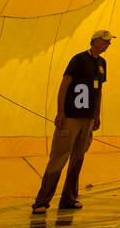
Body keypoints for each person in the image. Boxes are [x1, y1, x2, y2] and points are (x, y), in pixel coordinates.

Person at [32, 30, 113, 214]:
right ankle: (42, 201)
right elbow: (65, 84)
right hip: (71, 117)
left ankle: (69, 198)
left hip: (88, 118)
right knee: (59, 158)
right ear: (96, 41)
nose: (108, 44)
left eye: (109, 42)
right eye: (106, 41)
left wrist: (97, 115)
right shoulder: (78, 59)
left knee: (78, 158)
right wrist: (60, 112)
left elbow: (98, 91)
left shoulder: (102, 64)